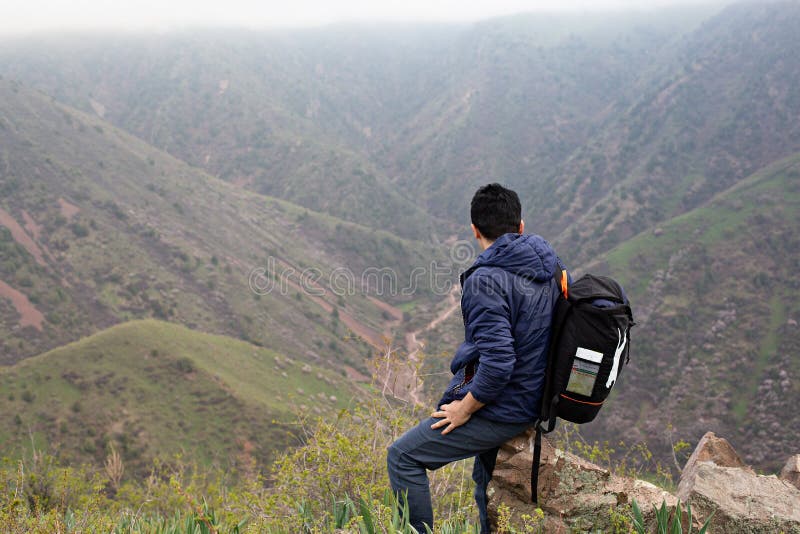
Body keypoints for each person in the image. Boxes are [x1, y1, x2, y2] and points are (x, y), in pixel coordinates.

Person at [387, 183, 566, 533]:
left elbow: (499, 363)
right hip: (537, 396)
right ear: (521, 226)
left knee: (404, 457)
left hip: (507, 404)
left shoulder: (486, 280)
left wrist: (463, 409)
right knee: (484, 480)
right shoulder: (551, 267)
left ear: (474, 230)